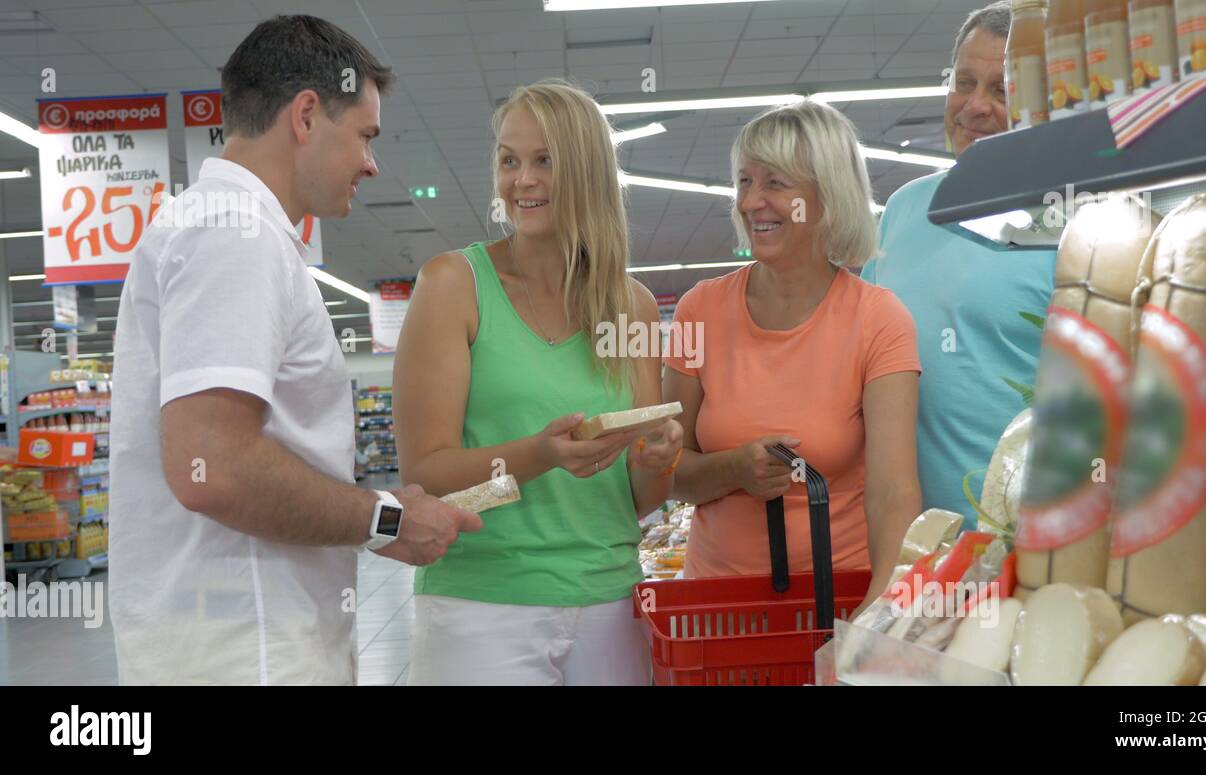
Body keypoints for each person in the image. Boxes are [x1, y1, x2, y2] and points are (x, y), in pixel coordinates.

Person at [109, 15, 481, 686]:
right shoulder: (234, 235)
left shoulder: (225, 229)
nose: (371, 162)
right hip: (247, 651)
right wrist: (386, 518)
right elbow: (212, 468)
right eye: (365, 135)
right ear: (307, 114)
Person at [394, 79, 684, 686]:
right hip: (482, 602)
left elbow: (639, 498)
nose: (521, 180)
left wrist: (659, 457)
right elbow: (426, 474)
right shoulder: (455, 284)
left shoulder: (630, 306)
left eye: (544, 161)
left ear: (587, 173)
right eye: (509, 160)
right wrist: (540, 455)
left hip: (610, 601)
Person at [663, 100, 922, 611]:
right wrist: (734, 469)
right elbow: (665, 473)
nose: (751, 201)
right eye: (744, 181)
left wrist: (883, 606)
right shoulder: (700, 309)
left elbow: (893, 492)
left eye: (775, 184)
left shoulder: (878, 319)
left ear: (827, 196)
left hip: (840, 597)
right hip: (718, 604)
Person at [861, 0, 1056, 529]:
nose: (974, 107)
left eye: (1002, 90)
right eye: (963, 83)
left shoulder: (1075, 223)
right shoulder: (903, 209)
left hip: (1029, 546)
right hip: (910, 552)